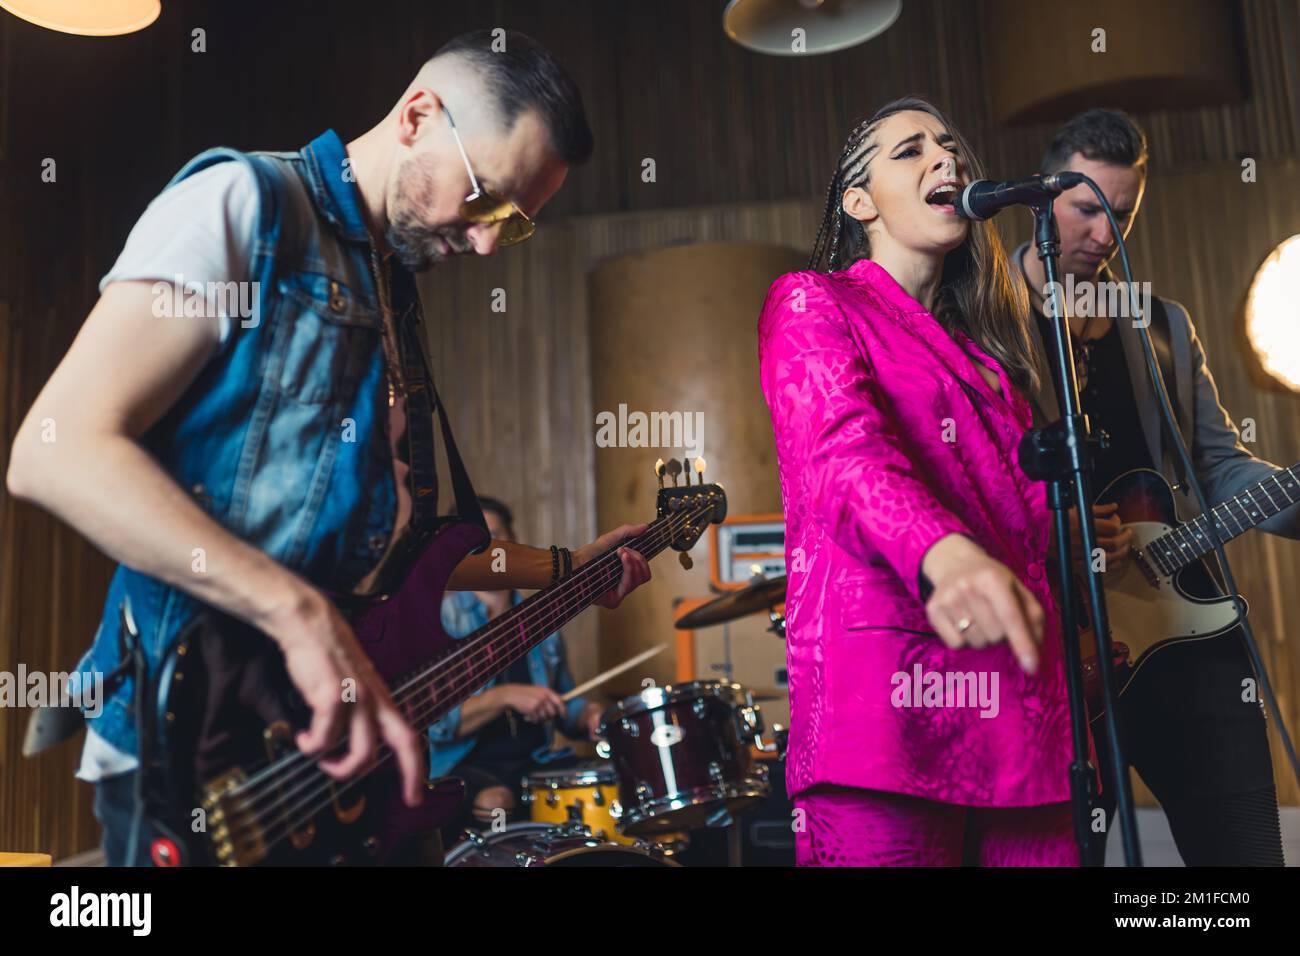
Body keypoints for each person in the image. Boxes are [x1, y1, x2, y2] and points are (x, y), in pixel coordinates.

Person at [5, 29, 650, 866]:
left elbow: (420, 564)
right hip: (204, 750)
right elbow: (55, 452)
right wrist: (297, 610)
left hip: (327, 759)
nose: (489, 243)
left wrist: (571, 569)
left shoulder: (394, 296)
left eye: (515, 227)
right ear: (418, 115)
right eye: (486, 200)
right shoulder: (242, 203)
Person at [758, 96, 1078, 867]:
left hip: (1027, 713)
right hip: (886, 707)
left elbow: (1025, 529)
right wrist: (948, 552)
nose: (947, 159)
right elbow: (843, 451)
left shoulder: (995, 363)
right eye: (910, 151)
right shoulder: (813, 301)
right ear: (858, 202)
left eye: (949, 146)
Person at [1017, 108, 1295, 865]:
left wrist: (1288, 494)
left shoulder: (1162, 325)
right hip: (1058, 651)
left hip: (1190, 633)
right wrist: (1053, 529)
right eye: (1084, 210)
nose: (1104, 236)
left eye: (1121, 213)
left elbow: (1219, 464)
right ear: (1040, 200)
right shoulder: (984, 323)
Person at [428, 497, 604, 840]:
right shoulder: (443, 621)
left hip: (535, 760)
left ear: (514, 541)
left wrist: (588, 717)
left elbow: (564, 701)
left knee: (612, 778)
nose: (489, 548)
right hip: (464, 766)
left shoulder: (540, 619)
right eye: (476, 540)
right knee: (496, 803)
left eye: (497, 535)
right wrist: (506, 696)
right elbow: (437, 726)